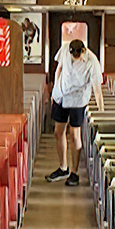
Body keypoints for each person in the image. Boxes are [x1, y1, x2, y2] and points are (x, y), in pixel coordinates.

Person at [46, 38, 104, 187]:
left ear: (83, 51)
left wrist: (101, 110)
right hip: (61, 94)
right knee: (58, 132)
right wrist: (54, 90)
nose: (75, 57)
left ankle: (75, 172)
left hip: (78, 99)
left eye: (78, 55)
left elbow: (97, 88)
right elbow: (59, 68)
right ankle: (63, 167)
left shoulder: (92, 61)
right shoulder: (65, 49)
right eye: (73, 55)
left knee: (74, 134)